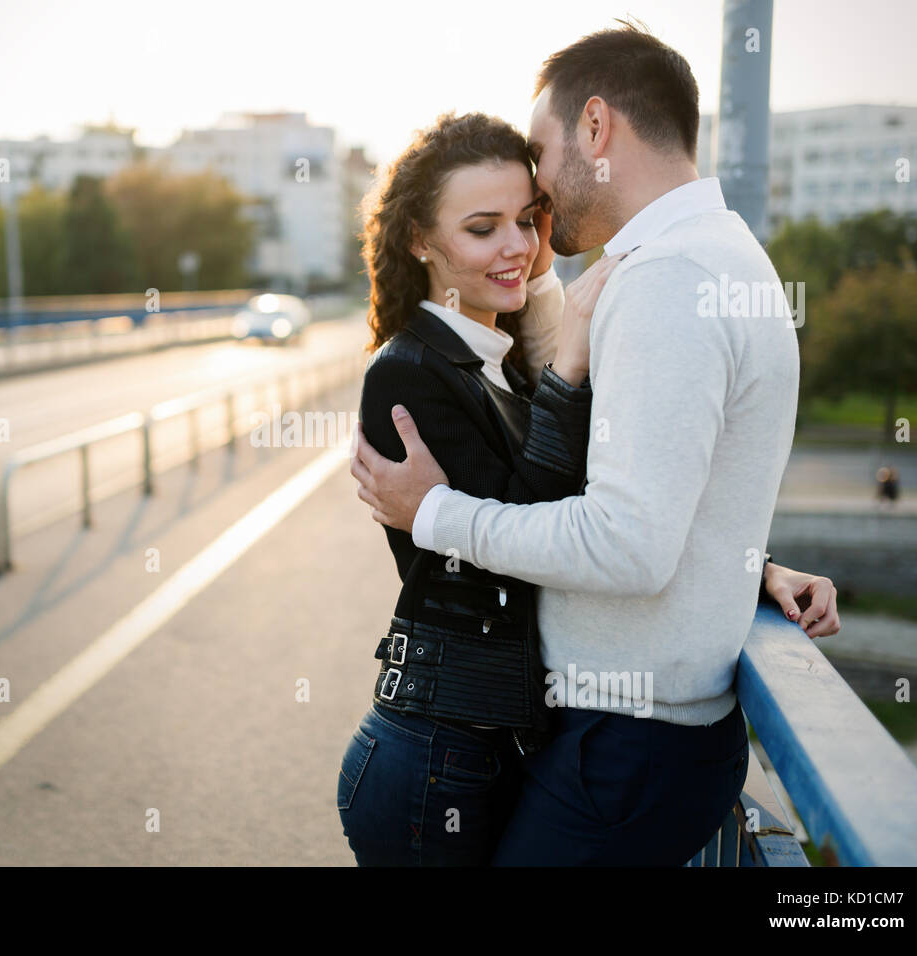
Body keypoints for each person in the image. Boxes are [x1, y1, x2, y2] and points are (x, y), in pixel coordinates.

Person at [349, 22, 841, 866]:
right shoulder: (710, 257)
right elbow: (647, 493)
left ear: (597, 127)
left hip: (625, 746)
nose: (537, 191)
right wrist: (740, 563)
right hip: (618, 737)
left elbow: (624, 542)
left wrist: (435, 512)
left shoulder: (668, 282)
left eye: (539, 154)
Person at [336, 110, 624, 866]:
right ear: (419, 240)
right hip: (435, 757)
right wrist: (567, 365)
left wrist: (750, 565)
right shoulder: (408, 374)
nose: (518, 247)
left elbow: (606, 498)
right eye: (483, 227)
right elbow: (534, 527)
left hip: (480, 747)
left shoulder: (488, 357)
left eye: (527, 222)